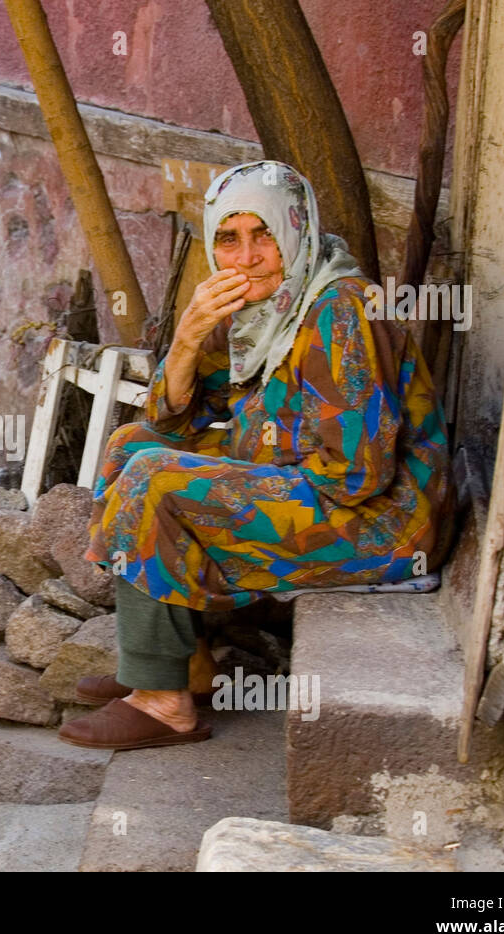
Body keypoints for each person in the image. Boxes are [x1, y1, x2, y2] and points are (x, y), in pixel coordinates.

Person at [57, 160, 455, 751]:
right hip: (315, 488)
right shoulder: (260, 308)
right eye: (229, 238)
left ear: (297, 232)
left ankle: (164, 705)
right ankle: (184, 667)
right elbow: (171, 418)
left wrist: (235, 489)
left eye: (264, 234)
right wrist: (189, 338)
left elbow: (358, 473)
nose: (246, 257)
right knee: (131, 448)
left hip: (384, 523)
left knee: (157, 480)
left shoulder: (341, 311)